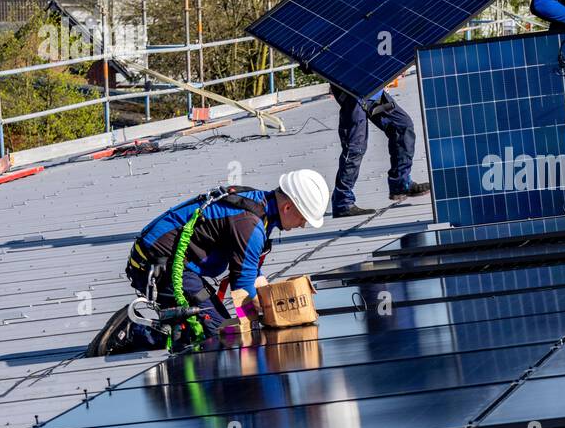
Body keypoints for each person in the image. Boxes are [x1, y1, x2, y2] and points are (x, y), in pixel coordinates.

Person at [103, 169, 330, 352]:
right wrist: (257, 323)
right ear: (287, 207)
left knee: (220, 329)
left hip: (174, 264)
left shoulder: (260, 207)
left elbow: (252, 274)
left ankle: (169, 327)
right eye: (304, 217)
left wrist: (273, 307)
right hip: (158, 264)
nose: (303, 225)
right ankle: (133, 331)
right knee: (217, 334)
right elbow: (242, 285)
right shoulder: (250, 223)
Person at [331, 86, 430, 218]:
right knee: (355, 148)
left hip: (373, 90)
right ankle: (342, 202)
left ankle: (401, 182)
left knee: (402, 126)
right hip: (351, 93)